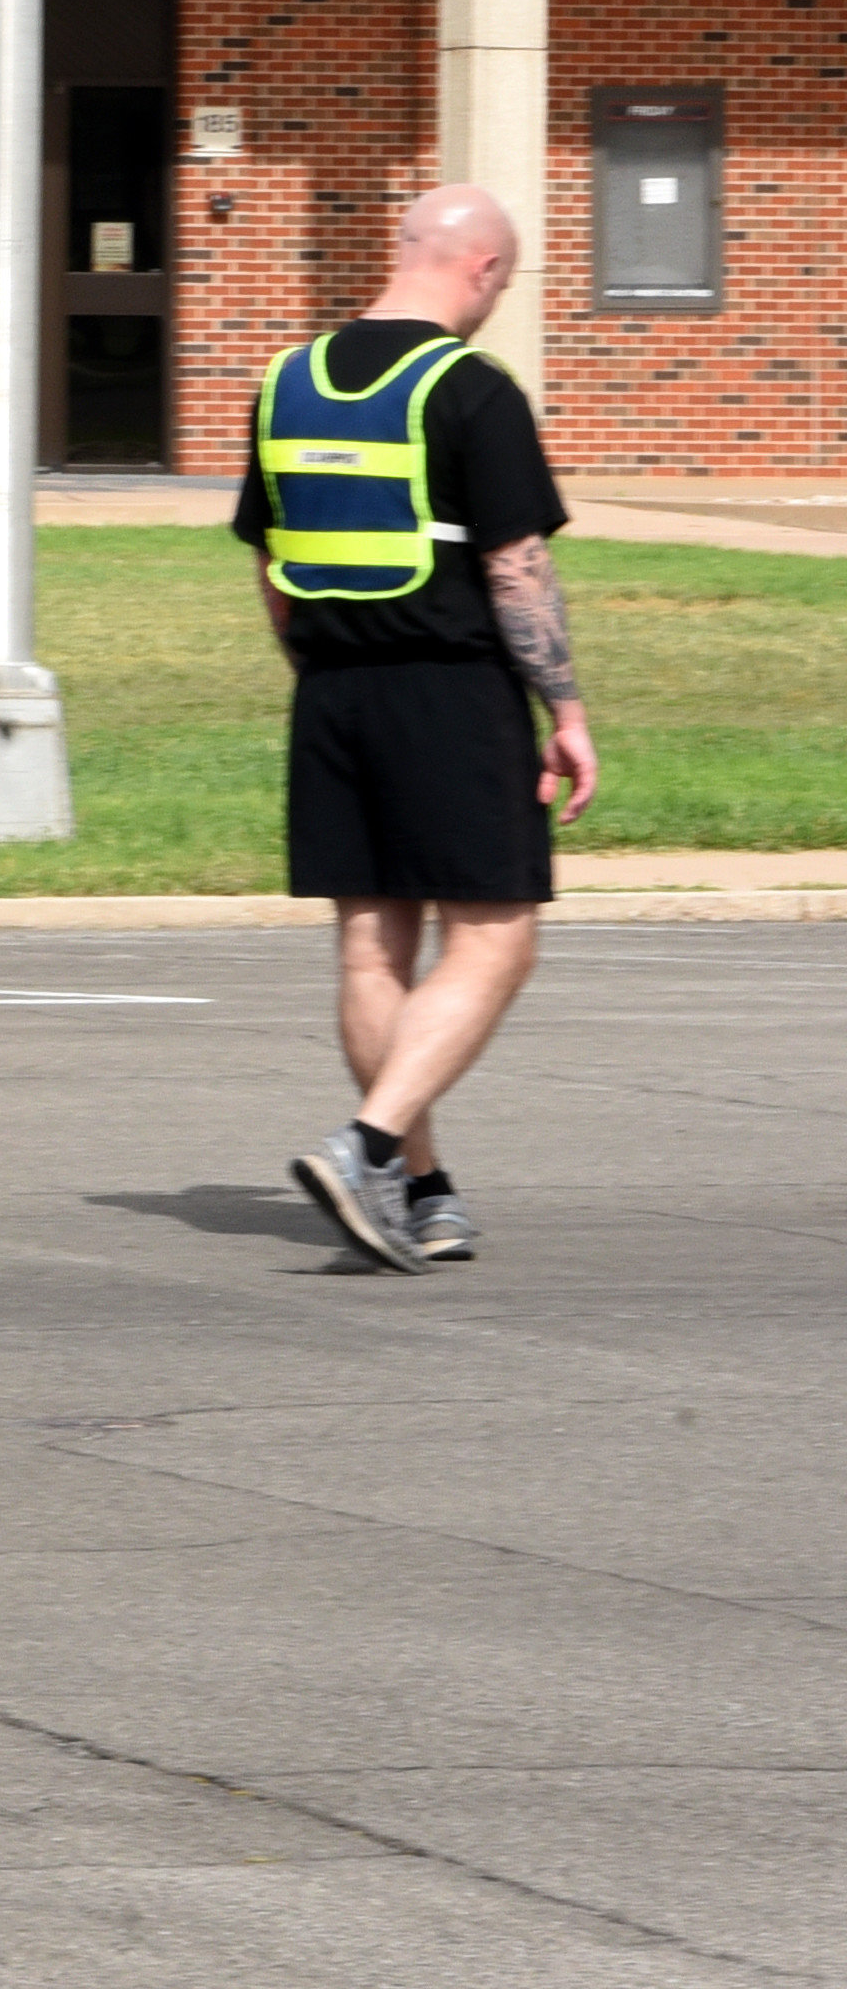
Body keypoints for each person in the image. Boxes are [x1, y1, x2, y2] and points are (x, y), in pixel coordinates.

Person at [241, 184, 598, 1274]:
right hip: (449, 692)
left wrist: (317, 668)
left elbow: (268, 562)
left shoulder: (285, 381)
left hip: (331, 692)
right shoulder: (469, 390)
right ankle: (363, 1147)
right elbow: (513, 566)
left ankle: (419, 1189)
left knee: (370, 945)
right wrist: (566, 712)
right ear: (483, 270)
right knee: (495, 936)